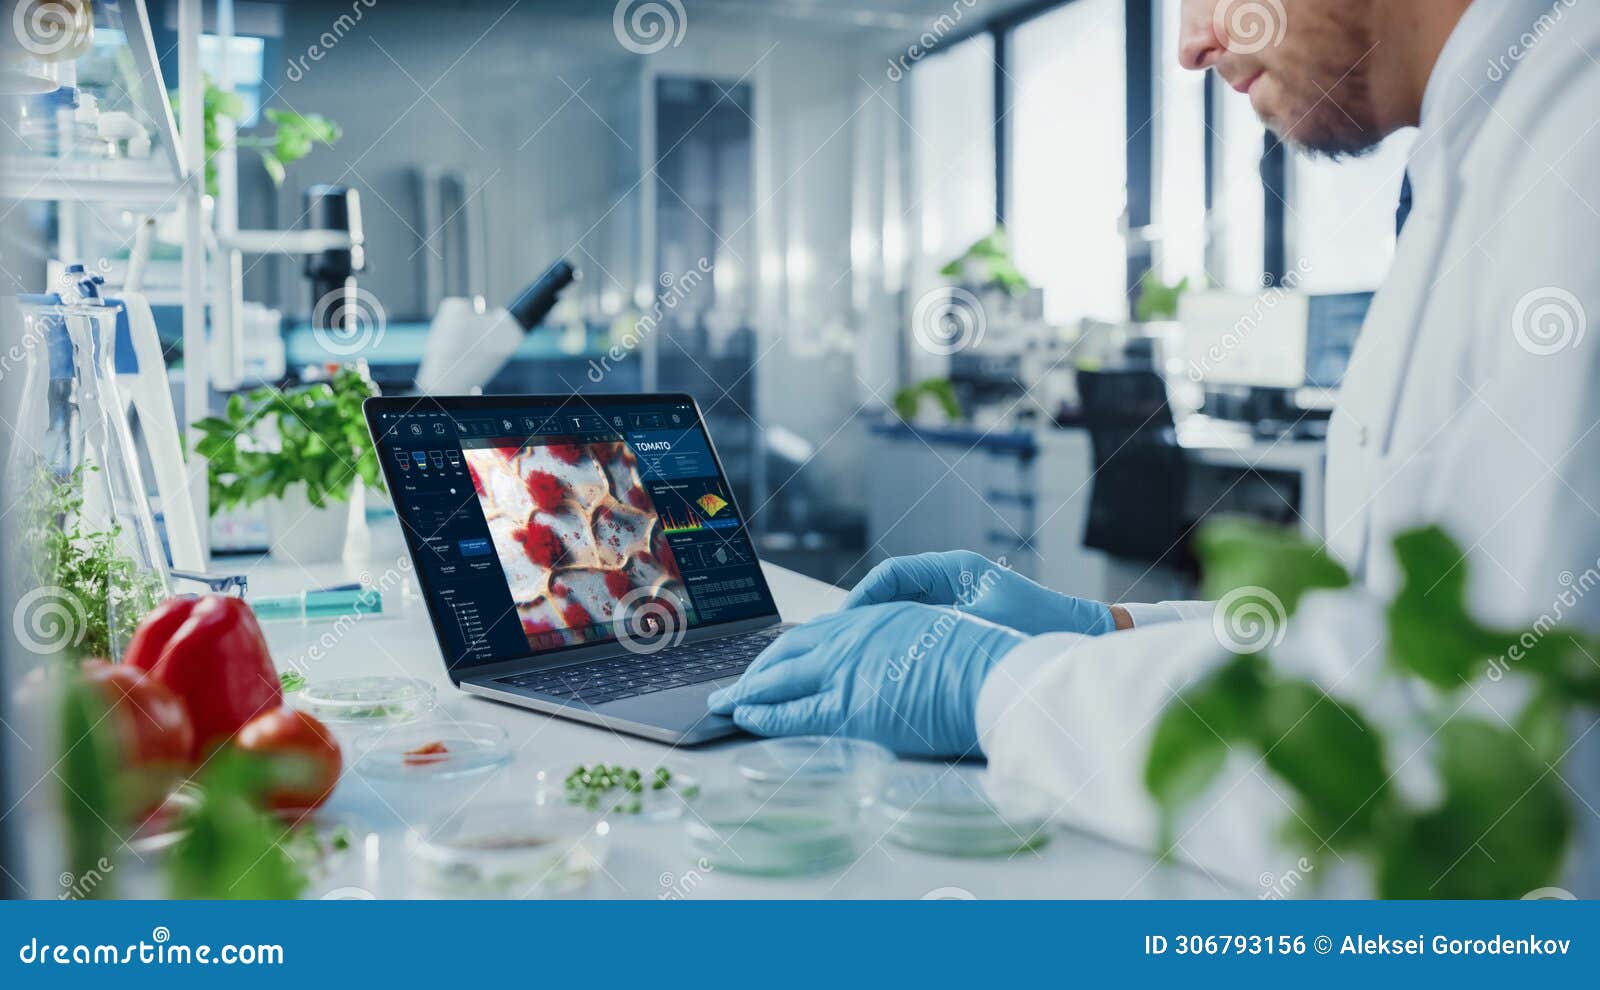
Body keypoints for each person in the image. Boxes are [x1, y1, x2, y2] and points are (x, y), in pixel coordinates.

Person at [709, 0, 1600, 887]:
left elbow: (1469, 768)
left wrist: (1003, 686)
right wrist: (1112, 630)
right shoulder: (1483, 150)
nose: (1190, 45)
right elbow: (1392, 641)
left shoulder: (1577, 132)